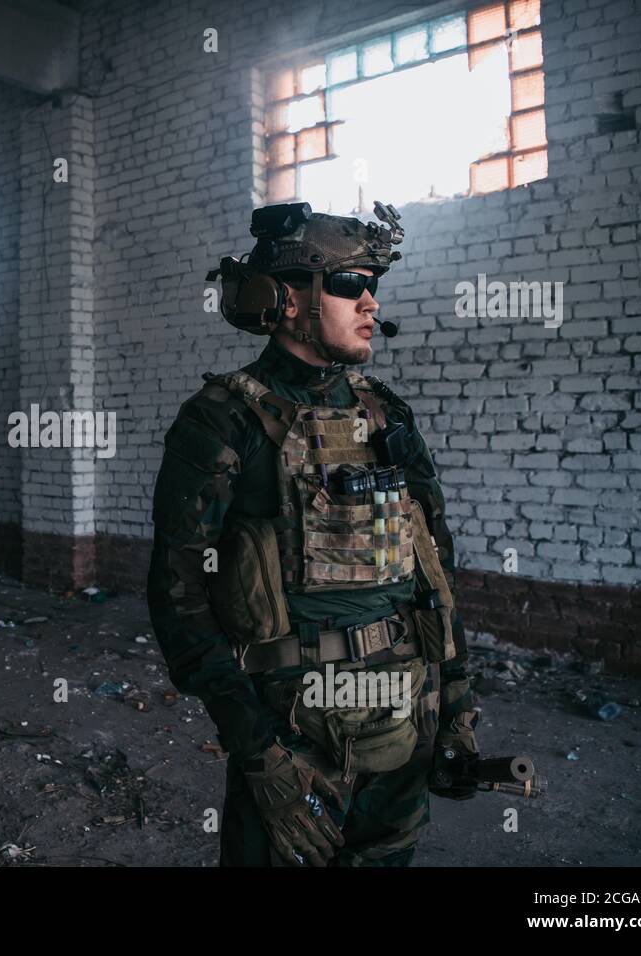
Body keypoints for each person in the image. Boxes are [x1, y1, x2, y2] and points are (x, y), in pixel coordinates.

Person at [146, 202, 479, 867]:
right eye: (350, 283)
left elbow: (433, 572)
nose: (370, 302)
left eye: (372, 285)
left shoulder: (387, 414)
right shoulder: (222, 420)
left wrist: (457, 712)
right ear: (288, 299)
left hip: (401, 725)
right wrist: (261, 756)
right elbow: (177, 595)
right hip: (294, 736)